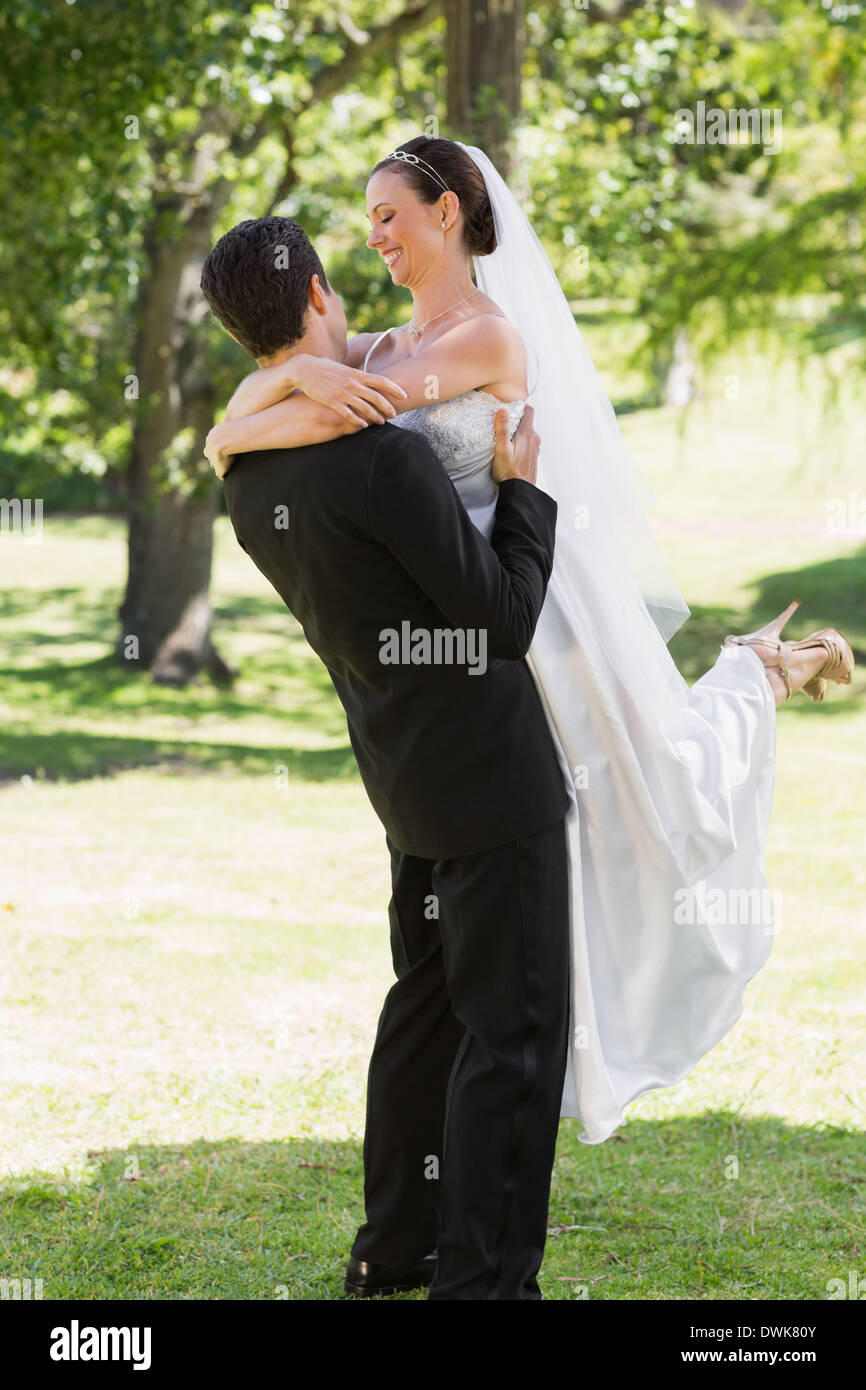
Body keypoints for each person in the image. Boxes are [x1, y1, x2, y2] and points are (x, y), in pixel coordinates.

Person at [205, 136, 855, 1151]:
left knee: (655, 791)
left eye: (390, 214)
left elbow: (340, 418)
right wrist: (266, 404)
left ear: (451, 213)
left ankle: (765, 667)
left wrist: (256, 416)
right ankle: (769, 666)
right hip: (471, 619)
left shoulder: (482, 339)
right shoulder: (386, 344)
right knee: (568, 844)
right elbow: (307, 394)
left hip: (534, 606)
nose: (373, 234)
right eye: (366, 219)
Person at [200, 216, 576, 1300]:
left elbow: (234, 432)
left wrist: (270, 399)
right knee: (512, 1033)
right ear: (318, 293)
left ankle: (392, 1250)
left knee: (423, 1011)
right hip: (491, 774)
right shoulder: (382, 458)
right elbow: (501, 616)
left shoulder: (248, 477)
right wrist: (522, 491)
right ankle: (481, 1283)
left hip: (400, 778)